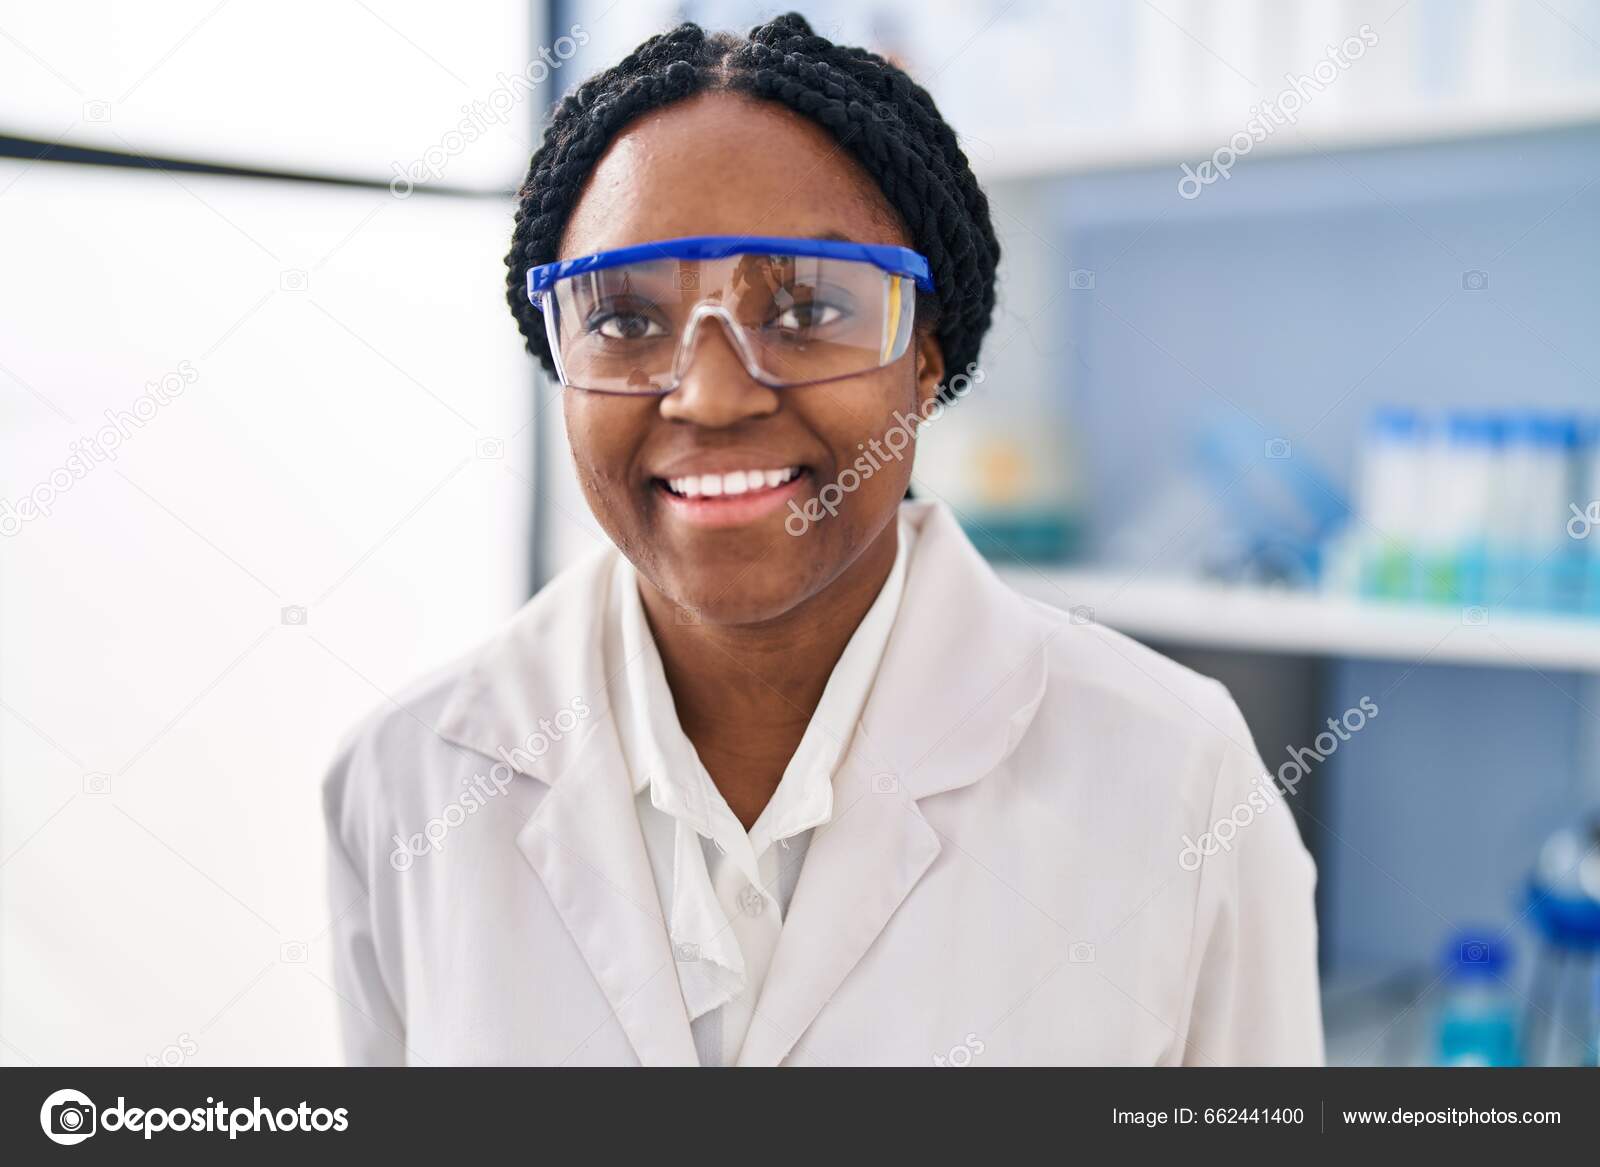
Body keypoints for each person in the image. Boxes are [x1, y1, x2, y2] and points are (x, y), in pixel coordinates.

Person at [322, 12, 1322, 1067]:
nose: (708, 397)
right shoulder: (403, 785)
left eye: (804, 307)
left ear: (926, 360)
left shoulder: (1174, 775)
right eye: (623, 321)